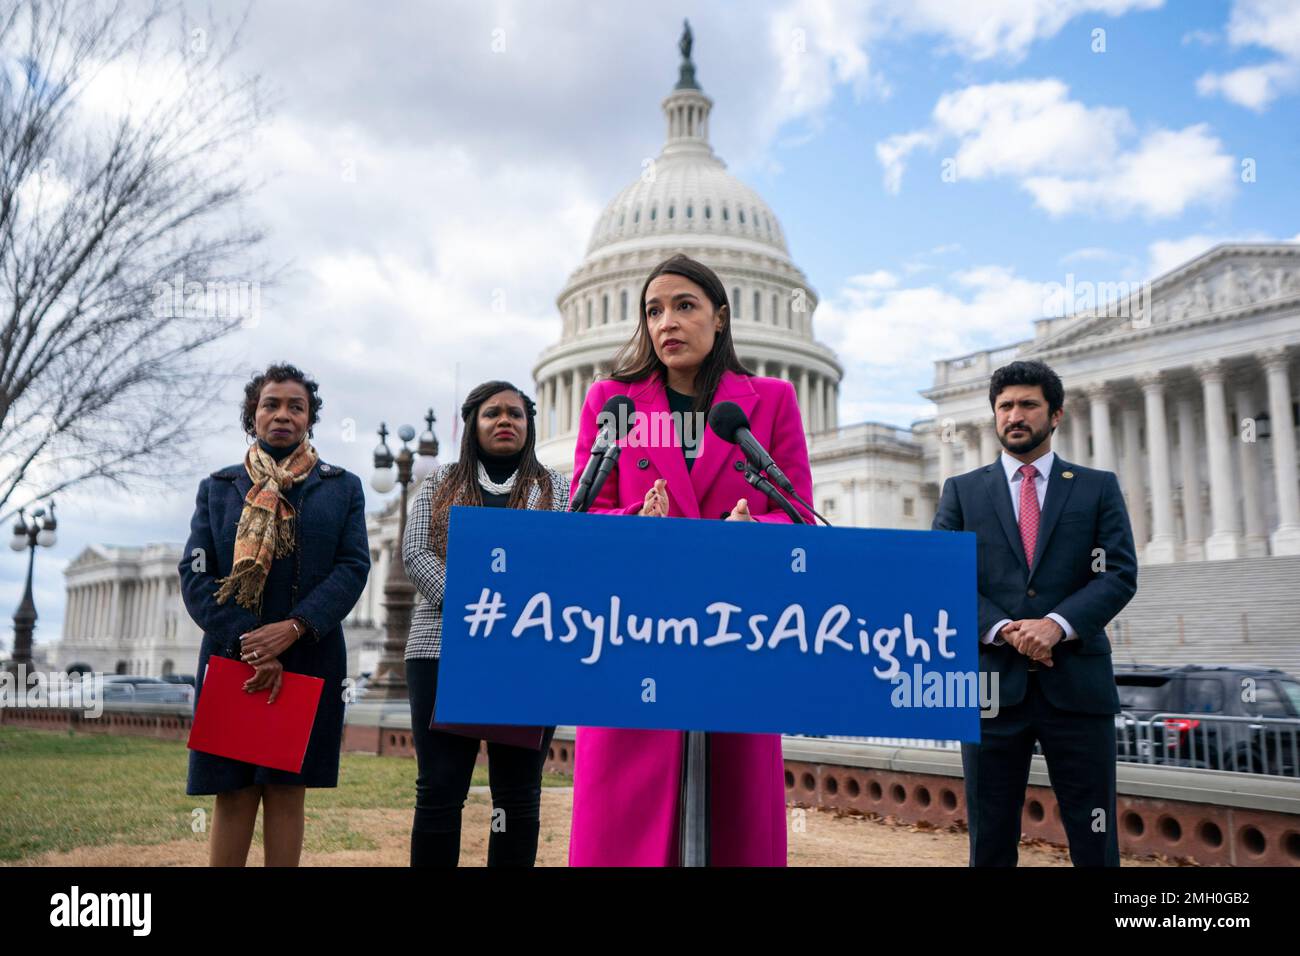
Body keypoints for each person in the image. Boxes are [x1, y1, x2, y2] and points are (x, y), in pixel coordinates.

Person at [568, 253, 814, 867]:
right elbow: (579, 518)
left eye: (684, 306)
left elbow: (801, 515)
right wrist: (634, 521)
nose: (666, 323)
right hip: (634, 634)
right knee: (626, 824)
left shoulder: (772, 401)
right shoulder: (611, 401)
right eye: (654, 311)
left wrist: (752, 528)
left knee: (735, 818)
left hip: (735, 634)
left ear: (721, 317)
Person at [932, 360, 1137, 866]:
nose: (1014, 415)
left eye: (1028, 404)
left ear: (1056, 414)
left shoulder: (1095, 486)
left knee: (1094, 837)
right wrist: (1001, 628)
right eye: (1005, 406)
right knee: (991, 837)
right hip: (990, 690)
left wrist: (1056, 626)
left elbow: (1117, 573)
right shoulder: (963, 490)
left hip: (1077, 688)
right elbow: (941, 575)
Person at [180, 362, 370, 866]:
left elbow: (352, 568)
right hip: (232, 656)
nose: (282, 414)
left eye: (296, 406)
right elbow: (196, 574)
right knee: (234, 790)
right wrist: (251, 641)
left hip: (309, 654)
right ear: (253, 414)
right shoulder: (218, 488)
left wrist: (293, 628)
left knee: (288, 790)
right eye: (271, 404)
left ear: (310, 419)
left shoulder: (342, 488)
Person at [403, 380, 570, 866]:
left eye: (515, 415)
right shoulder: (439, 483)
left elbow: (562, 563)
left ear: (529, 426)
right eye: (492, 413)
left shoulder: (556, 489)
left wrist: (510, 620)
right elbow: (416, 554)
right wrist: (477, 610)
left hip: (526, 654)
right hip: (442, 649)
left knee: (518, 794)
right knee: (439, 788)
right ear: (473, 424)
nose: (505, 421)